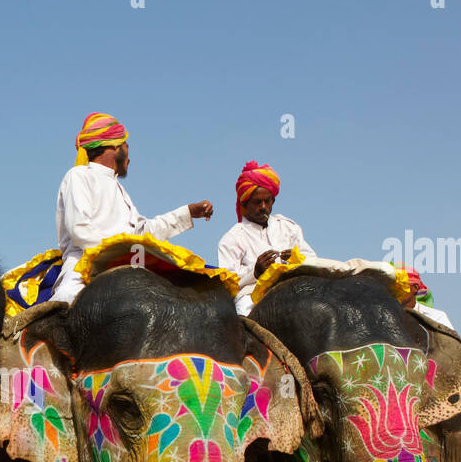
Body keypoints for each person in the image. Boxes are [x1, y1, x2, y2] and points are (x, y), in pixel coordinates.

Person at [52, 113, 213, 304]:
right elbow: (79, 231)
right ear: (114, 146)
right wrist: (122, 249)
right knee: (66, 302)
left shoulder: (120, 190)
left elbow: (141, 232)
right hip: (82, 268)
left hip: (127, 263)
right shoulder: (78, 176)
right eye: (127, 146)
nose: (130, 156)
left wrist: (187, 213)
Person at [216, 161, 313, 315]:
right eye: (257, 202)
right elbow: (227, 284)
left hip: (294, 287)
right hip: (251, 298)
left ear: (273, 200)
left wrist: (297, 258)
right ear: (244, 204)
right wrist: (254, 272)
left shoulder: (288, 227)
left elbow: (313, 259)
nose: (263, 207)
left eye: (267, 201)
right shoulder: (231, 239)